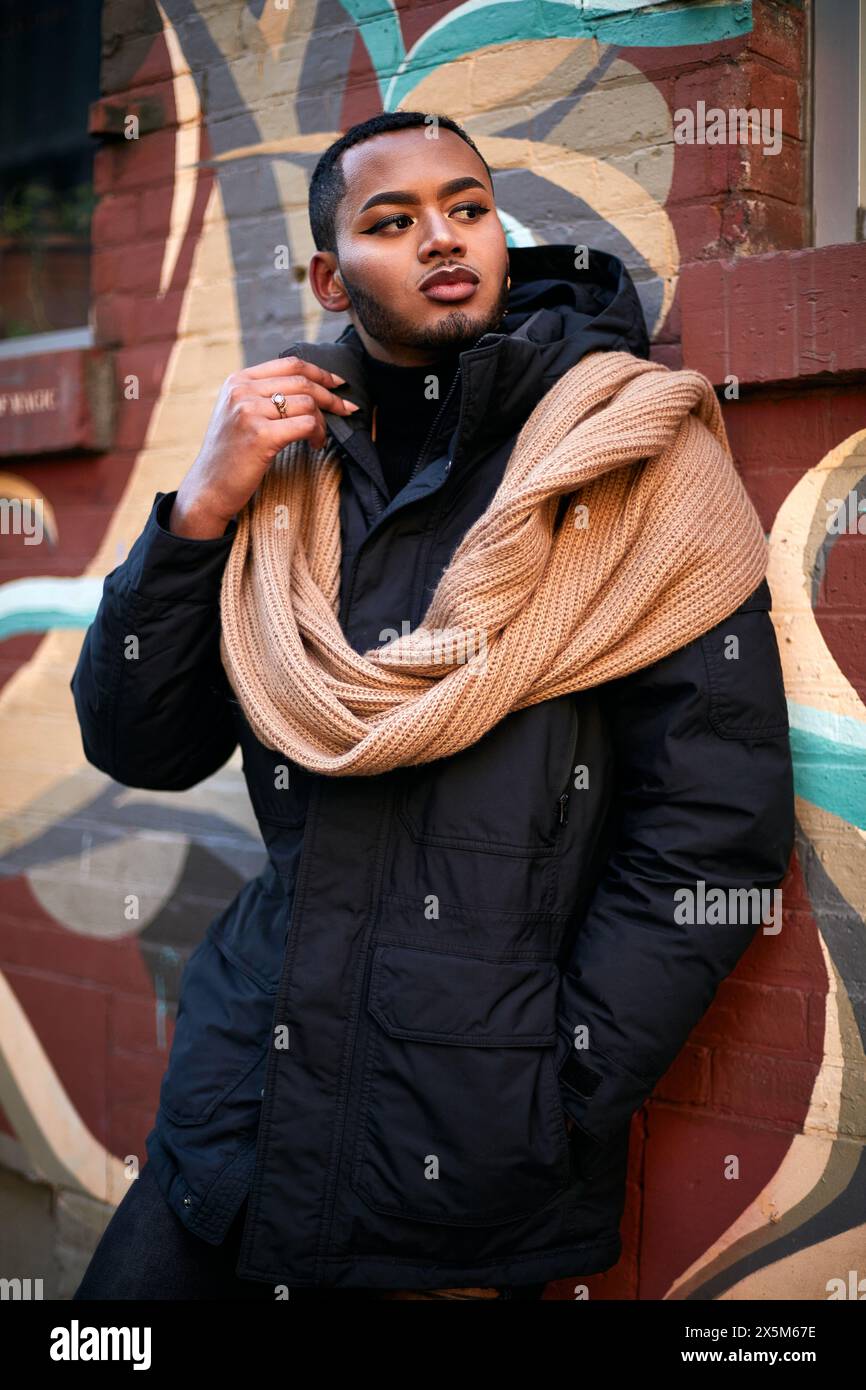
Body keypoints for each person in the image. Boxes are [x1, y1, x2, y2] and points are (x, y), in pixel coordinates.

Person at [70, 110, 794, 1300]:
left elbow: (710, 824)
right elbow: (143, 742)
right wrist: (196, 511)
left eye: (465, 207)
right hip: (238, 1117)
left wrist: (556, 1085)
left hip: (471, 1157)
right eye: (391, 221)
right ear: (327, 272)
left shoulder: (624, 455)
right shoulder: (282, 472)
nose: (443, 238)